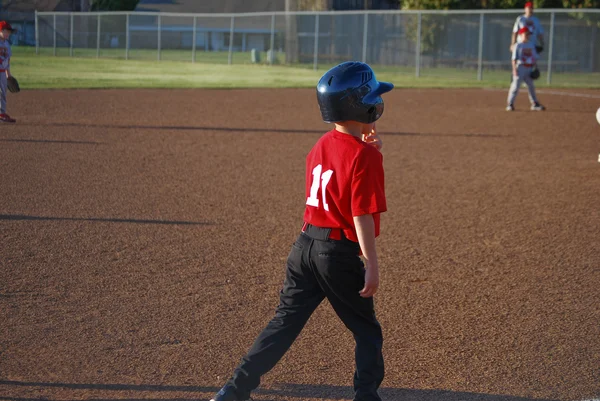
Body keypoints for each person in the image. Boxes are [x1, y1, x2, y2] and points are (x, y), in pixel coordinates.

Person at [210, 61, 393, 401]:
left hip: (304, 247)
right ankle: (366, 396)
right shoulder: (365, 156)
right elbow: (360, 214)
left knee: (284, 324)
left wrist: (370, 149)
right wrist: (371, 262)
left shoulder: (321, 144)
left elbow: (338, 176)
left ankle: (234, 390)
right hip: (337, 254)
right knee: (367, 331)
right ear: (359, 104)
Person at [507, 27, 545, 112]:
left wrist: (536, 67)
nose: (527, 36)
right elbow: (514, 59)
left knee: (531, 86)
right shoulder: (518, 45)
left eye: (528, 34)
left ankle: (534, 104)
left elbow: (534, 57)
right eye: (526, 34)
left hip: (529, 68)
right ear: (521, 35)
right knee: (515, 86)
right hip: (520, 68)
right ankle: (510, 104)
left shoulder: (531, 45)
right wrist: (514, 70)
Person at [0, 20, 16, 123]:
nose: (7, 34)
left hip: (2, 72)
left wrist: (8, 74)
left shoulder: (7, 44)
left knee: (3, 92)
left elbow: (7, 60)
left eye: (9, 32)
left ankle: (2, 113)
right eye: (5, 31)